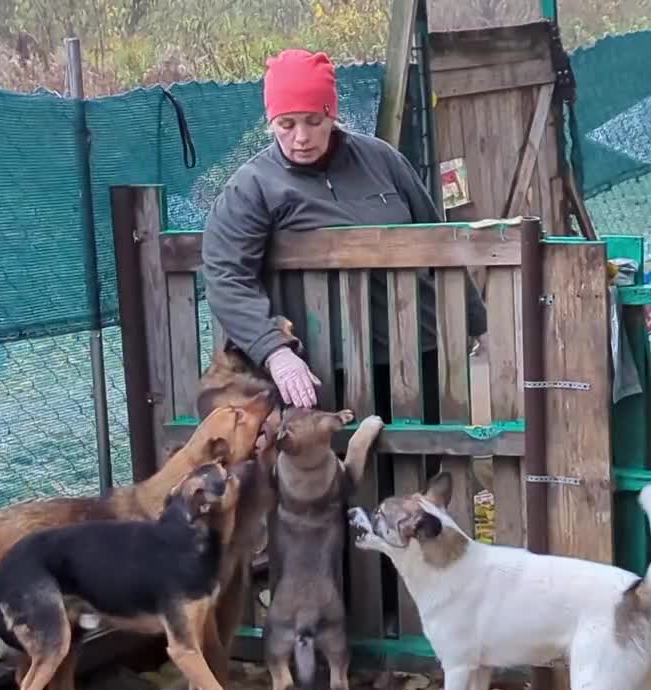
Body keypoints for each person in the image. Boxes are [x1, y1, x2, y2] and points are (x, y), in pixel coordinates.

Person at [201, 48, 487, 415]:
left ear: (331, 114)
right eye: (287, 124)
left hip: (417, 346)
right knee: (350, 466)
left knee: (426, 460)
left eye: (312, 121)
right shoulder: (251, 188)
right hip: (326, 364)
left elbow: (437, 241)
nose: (301, 137)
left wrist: (477, 323)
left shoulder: (382, 160)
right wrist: (274, 351)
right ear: (270, 123)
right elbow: (227, 275)